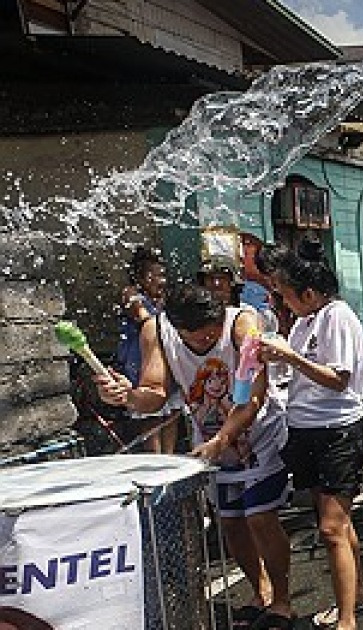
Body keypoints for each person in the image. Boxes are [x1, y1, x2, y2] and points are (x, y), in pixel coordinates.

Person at [95, 284, 294, 629]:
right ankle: (259, 591)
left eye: (212, 335)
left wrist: (223, 439)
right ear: (177, 327)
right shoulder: (156, 331)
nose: (207, 341)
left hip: (258, 437)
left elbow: (252, 398)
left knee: (260, 516)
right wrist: (126, 397)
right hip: (211, 442)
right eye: (199, 339)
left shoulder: (243, 325)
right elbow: (155, 394)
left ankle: (282, 600)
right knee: (231, 523)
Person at [257, 238, 363, 630]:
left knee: (330, 528)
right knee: (339, 524)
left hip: (335, 431)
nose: (283, 303)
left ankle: (347, 620)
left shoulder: (336, 316)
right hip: (306, 430)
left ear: (308, 293)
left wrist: (288, 355)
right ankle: (358, 594)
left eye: (286, 295)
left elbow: (338, 379)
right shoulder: (306, 320)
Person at [115, 246, 182, 453]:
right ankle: (155, 460)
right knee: (150, 416)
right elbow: (143, 317)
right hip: (141, 360)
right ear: (141, 277)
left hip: (164, 358)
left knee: (171, 413)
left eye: (164, 275)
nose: (162, 281)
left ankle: (169, 461)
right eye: (156, 276)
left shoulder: (161, 299)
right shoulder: (131, 294)